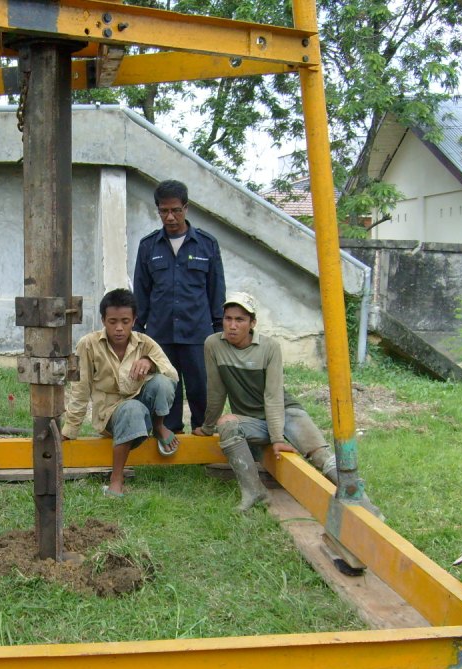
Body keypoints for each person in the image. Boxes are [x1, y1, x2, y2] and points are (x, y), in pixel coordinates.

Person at [193, 292, 346, 511]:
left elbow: (273, 396)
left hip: (286, 413)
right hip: (255, 421)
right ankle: (254, 492)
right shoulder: (213, 344)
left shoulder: (269, 347)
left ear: (252, 323)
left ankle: (360, 501)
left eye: (240, 320)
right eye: (228, 319)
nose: (232, 326)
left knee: (319, 455)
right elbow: (216, 391)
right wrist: (208, 427)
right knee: (226, 423)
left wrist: (277, 438)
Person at [62, 288, 180, 498]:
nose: (119, 328)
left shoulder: (145, 343)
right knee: (131, 409)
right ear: (103, 320)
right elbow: (80, 388)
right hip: (110, 414)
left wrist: (150, 362)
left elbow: (172, 374)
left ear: (134, 320)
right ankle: (116, 479)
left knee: (162, 383)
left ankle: (159, 426)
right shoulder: (88, 345)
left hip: (141, 406)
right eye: (112, 321)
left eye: (125, 321)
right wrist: (70, 430)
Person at [133, 179, 226, 436]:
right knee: (167, 387)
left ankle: (204, 433)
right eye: (164, 211)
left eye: (175, 210)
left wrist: (220, 332)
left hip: (198, 334)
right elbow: (141, 294)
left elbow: (216, 291)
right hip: (161, 334)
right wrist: (138, 334)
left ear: (186, 208)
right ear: (158, 210)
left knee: (201, 388)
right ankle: (170, 434)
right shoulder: (148, 246)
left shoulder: (207, 245)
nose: (170, 216)